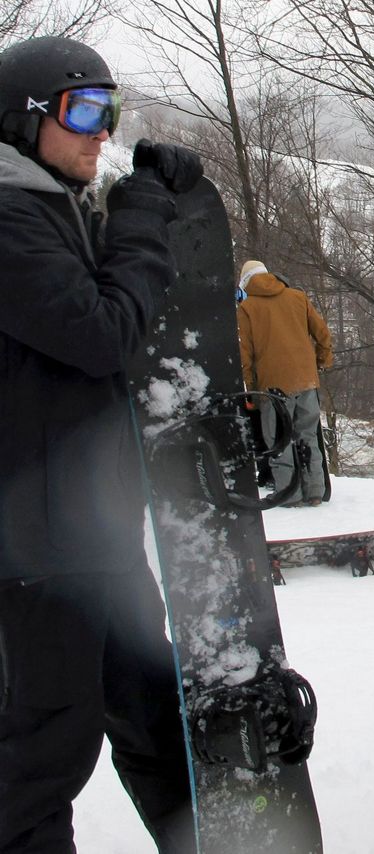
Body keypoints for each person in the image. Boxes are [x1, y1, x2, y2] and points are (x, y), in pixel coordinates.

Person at [0, 35, 202, 852]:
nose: (100, 132)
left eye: (110, 112)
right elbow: (102, 334)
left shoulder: (55, 209)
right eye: (83, 110)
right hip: (36, 550)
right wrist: (143, 213)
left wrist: (138, 197)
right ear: (25, 120)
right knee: (45, 753)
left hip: (91, 534)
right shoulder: (8, 219)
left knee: (154, 717)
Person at [236, 260, 334, 506]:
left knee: (279, 439)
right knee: (308, 435)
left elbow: (244, 354)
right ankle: (314, 492)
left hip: (272, 387)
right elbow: (322, 333)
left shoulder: (246, 308)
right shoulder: (297, 297)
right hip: (306, 379)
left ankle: (289, 496)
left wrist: (250, 391)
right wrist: (322, 360)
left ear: (245, 282)